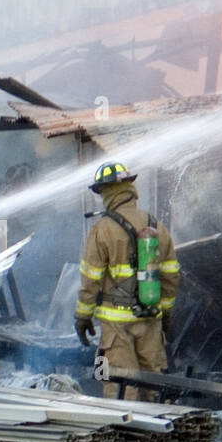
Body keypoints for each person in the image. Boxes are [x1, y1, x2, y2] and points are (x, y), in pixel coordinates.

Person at [74, 161, 180, 400]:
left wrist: (83, 316)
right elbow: (171, 276)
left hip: (115, 326)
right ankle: (161, 434)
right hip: (151, 317)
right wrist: (166, 313)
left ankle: (124, 436)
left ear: (106, 192)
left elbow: (90, 279)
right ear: (130, 188)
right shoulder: (157, 226)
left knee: (117, 384)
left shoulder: (102, 228)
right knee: (156, 382)